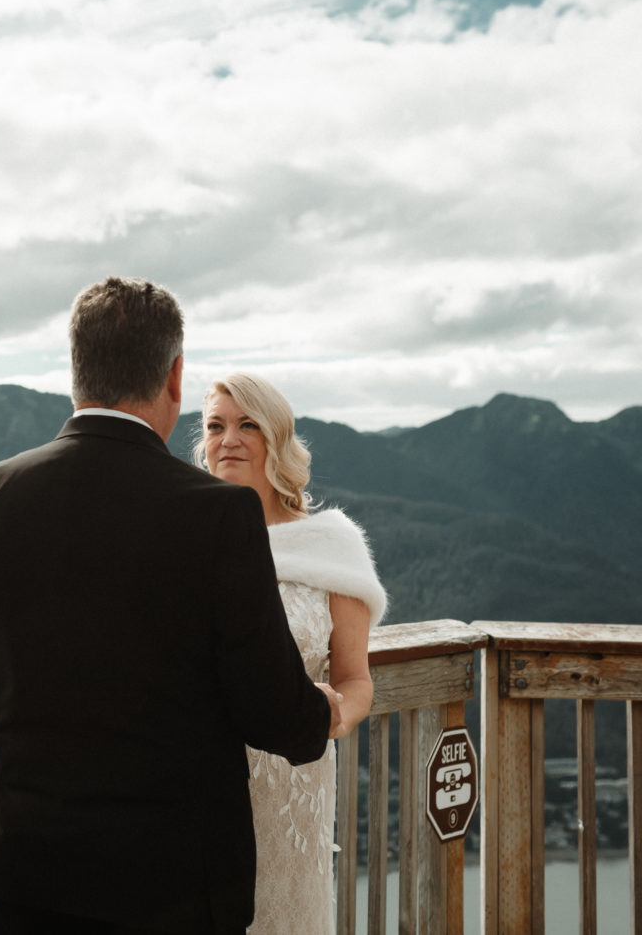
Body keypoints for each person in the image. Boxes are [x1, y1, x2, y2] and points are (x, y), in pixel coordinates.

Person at [0, 277, 342, 934]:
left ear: (76, 369)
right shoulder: (217, 513)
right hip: (174, 878)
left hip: (32, 862)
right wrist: (324, 707)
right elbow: (270, 706)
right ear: (175, 376)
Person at [193, 373, 387, 935]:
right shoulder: (189, 537)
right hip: (197, 785)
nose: (228, 439)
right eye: (215, 426)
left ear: (276, 439)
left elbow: (356, 679)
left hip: (291, 788)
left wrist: (335, 715)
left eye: (247, 425)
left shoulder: (330, 547)